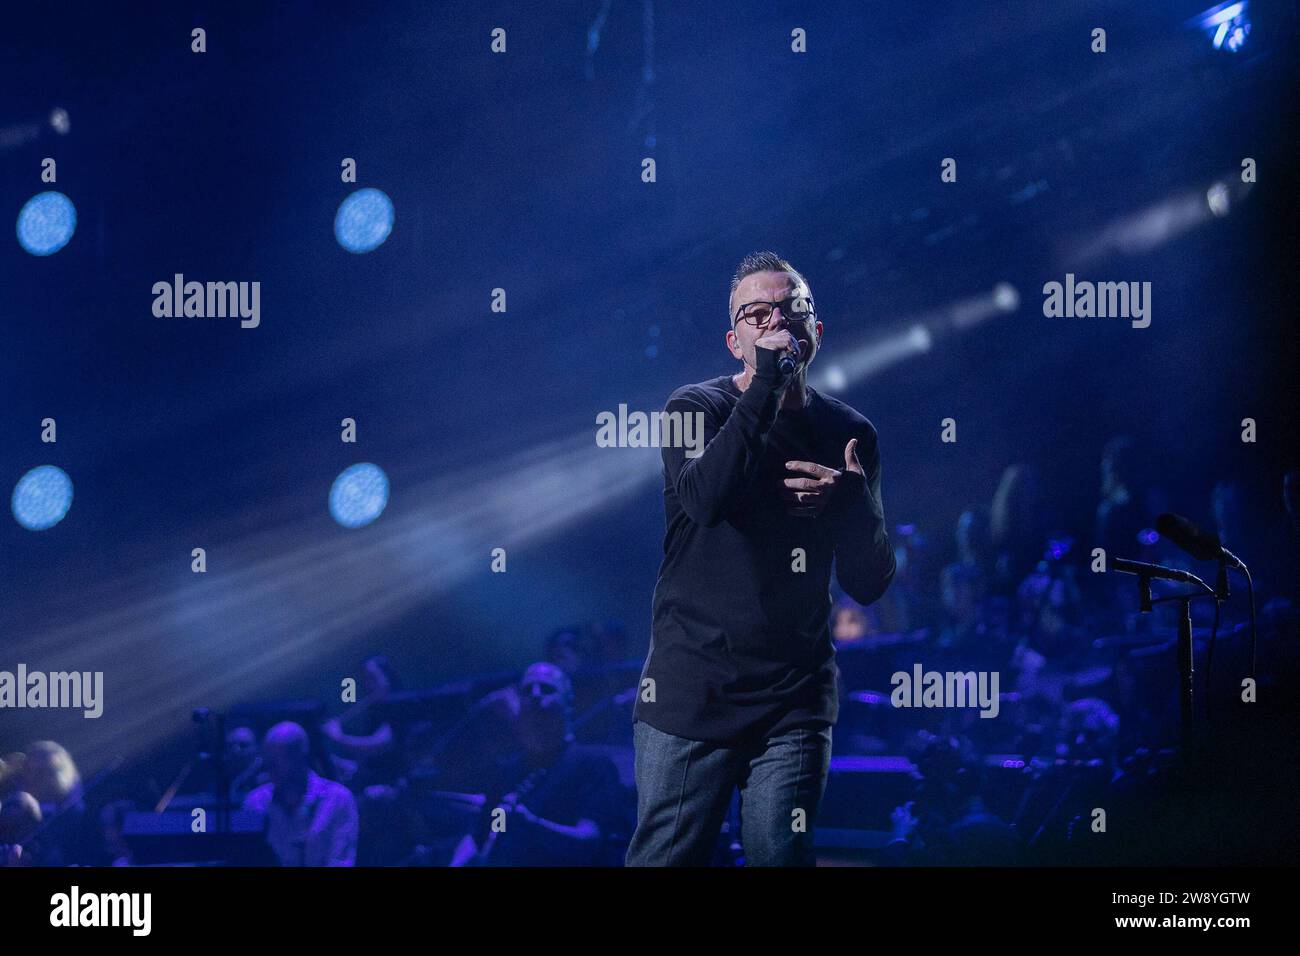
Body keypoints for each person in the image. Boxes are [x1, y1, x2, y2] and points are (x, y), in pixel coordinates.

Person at [626, 251, 895, 866]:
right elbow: (705, 500)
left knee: (781, 856)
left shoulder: (851, 431)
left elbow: (871, 581)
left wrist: (848, 502)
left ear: (816, 332)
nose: (776, 323)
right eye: (757, 313)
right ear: (734, 339)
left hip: (793, 699)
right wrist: (769, 384)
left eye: (792, 310)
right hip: (693, 690)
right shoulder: (693, 409)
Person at [449, 662, 625, 866]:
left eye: (547, 689)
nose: (535, 694)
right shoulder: (510, 774)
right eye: (527, 690)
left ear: (568, 704)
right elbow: (486, 832)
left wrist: (530, 825)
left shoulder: (592, 764)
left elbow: (588, 842)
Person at [242, 722, 359, 866]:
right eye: (268, 757)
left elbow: (341, 862)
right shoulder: (255, 802)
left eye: (280, 756)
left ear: (301, 756)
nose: (270, 765)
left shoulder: (338, 798)